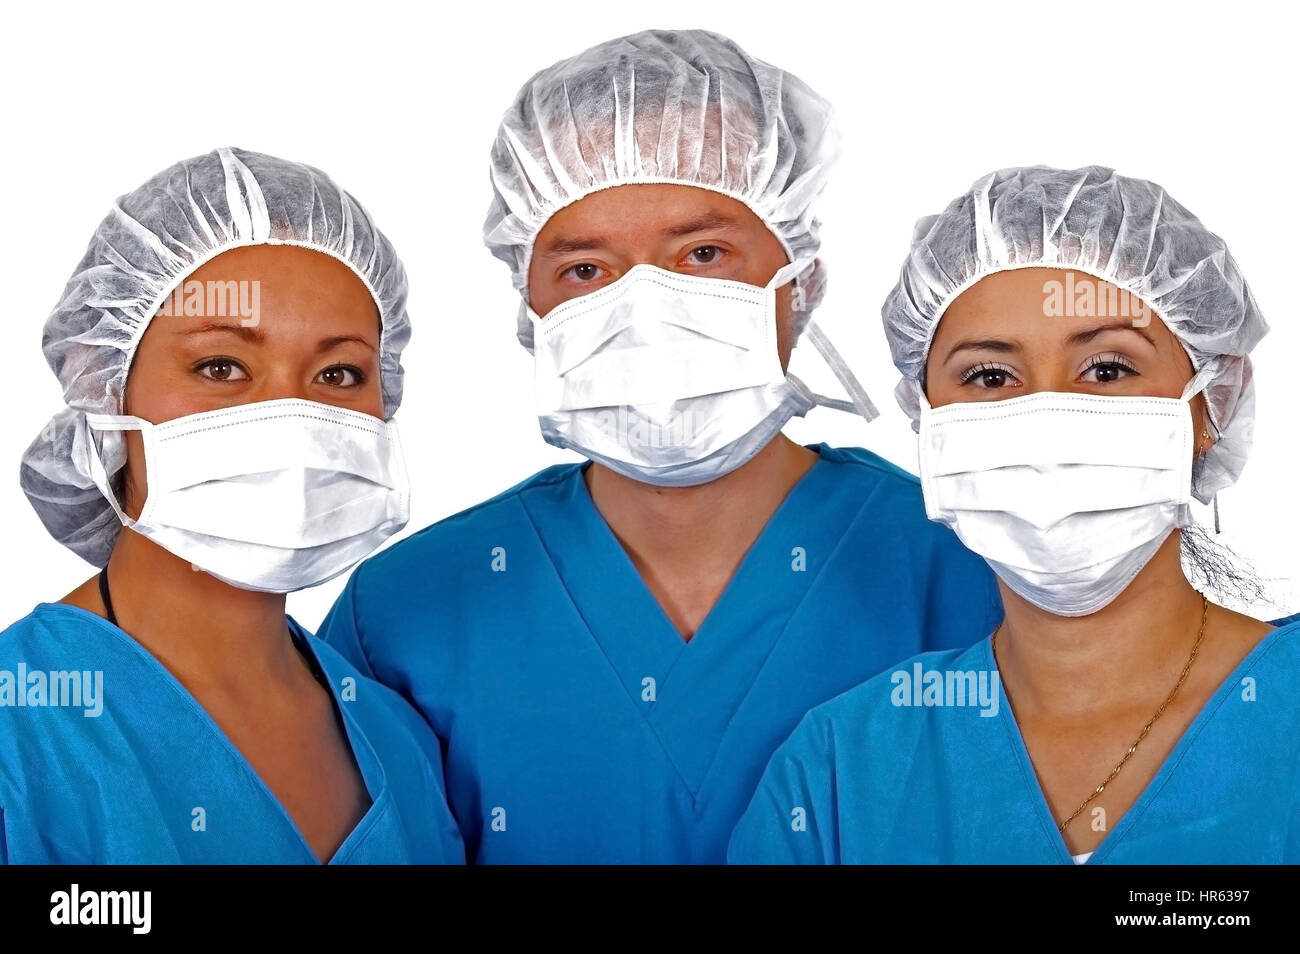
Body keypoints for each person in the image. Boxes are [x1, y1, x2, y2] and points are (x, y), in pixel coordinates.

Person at [317, 29, 1002, 864]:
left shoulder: (972, 569)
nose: (645, 305)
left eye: (702, 253)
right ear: (529, 308)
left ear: (801, 281)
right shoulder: (409, 609)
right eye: (586, 271)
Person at [729, 165, 1298, 864]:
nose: (1045, 415)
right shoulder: (840, 771)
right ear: (925, 417)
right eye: (990, 377)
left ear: (1212, 406)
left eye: (1108, 368)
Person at [0, 147, 463, 864]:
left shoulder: (397, 738)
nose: (290, 413)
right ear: (103, 387)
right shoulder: (21, 724)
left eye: (339, 372)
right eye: (221, 367)